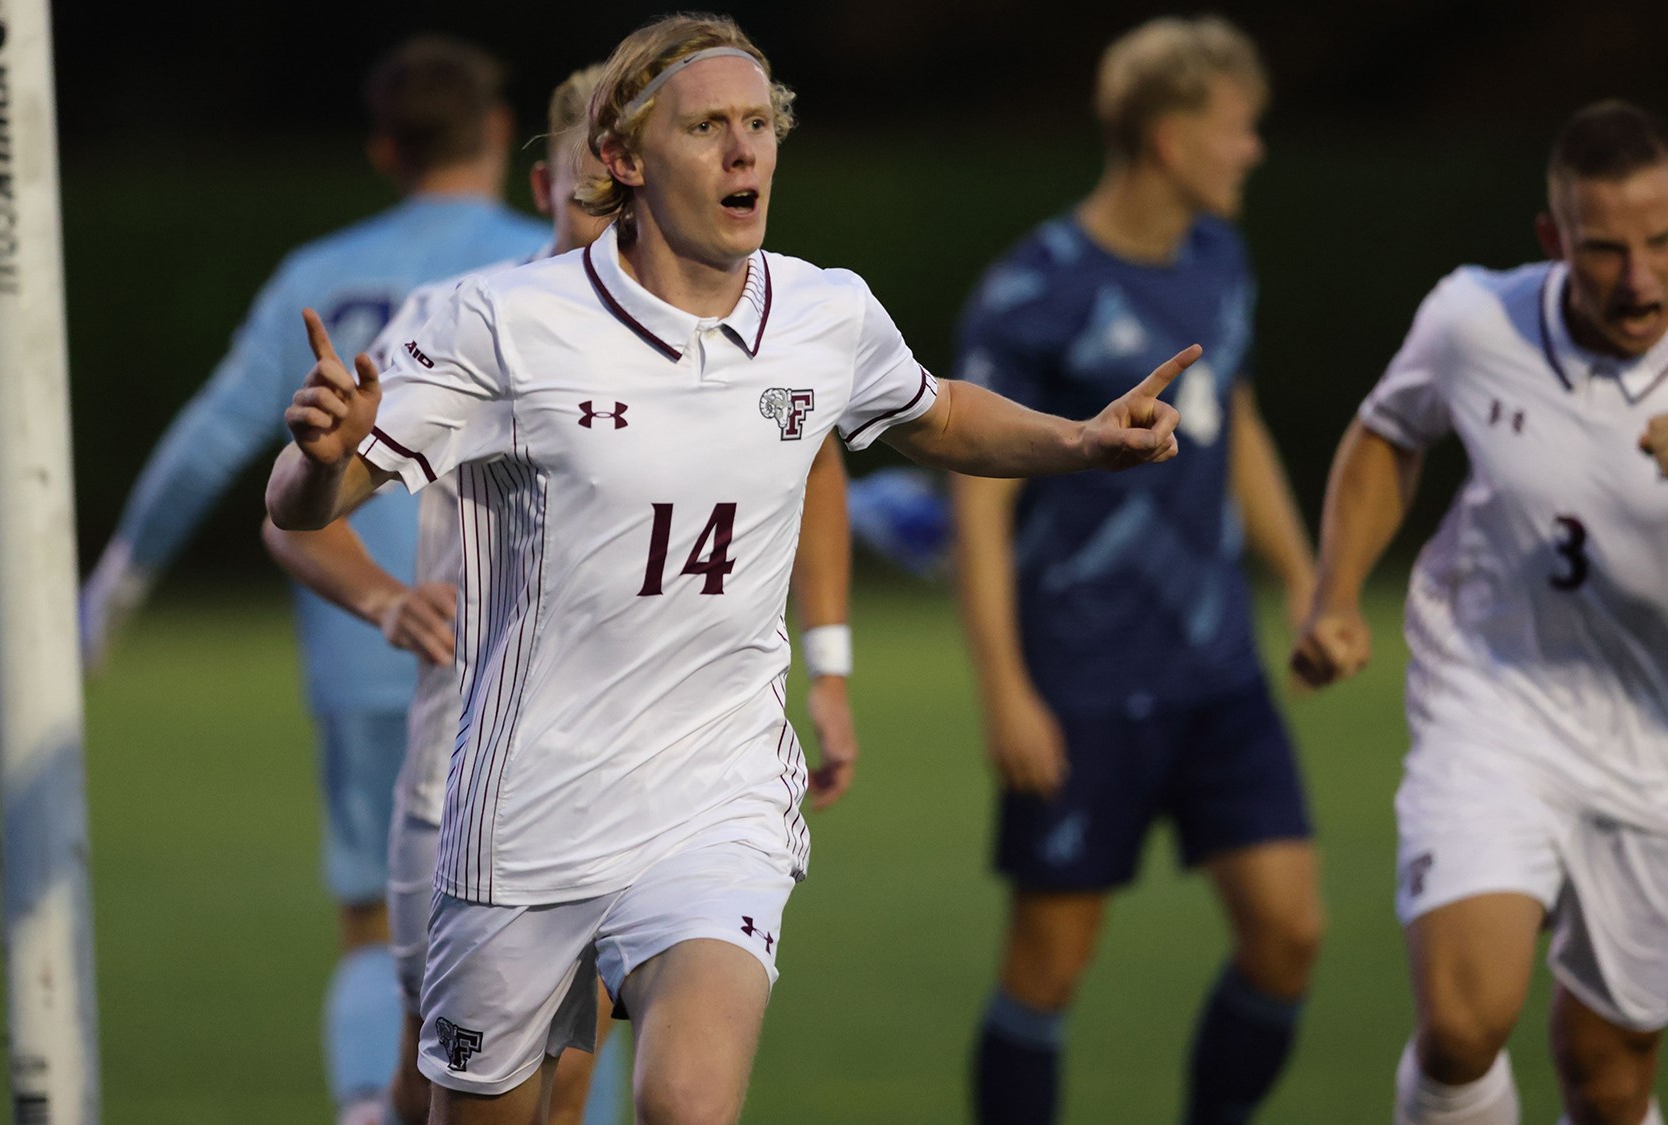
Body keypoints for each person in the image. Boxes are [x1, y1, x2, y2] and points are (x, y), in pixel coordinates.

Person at [266, 14, 1195, 1124]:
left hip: (715, 799)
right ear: (622, 159)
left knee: (686, 1105)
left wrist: (1078, 441)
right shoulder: (504, 323)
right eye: (706, 127)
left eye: (759, 124)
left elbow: (933, 415)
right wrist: (317, 463)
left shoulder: (822, 312)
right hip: (525, 818)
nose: (744, 150)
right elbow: (300, 506)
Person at [260, 64, 860, 1125]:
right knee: (435, 1088)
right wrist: (387, 601)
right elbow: (292, 507)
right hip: (470, 785)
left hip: (655, 791)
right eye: (593, 183)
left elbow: (812, 453)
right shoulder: (479, 324)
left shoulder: (725, 330)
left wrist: (827, 661)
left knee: (589, 1081)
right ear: (558, 180)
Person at [1292, 100, 1668, 1125]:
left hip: (1665, 750)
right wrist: (1334, 594)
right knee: (1458, 1024)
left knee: (1606, 1079)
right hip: (1491, 702)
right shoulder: (1471, 320)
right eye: (1604, 248)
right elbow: (1386, 433)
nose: (1637, 277)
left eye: (1660, 242)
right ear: (1551, 238)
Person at [78, 36, 547, 1124]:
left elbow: (208, 442)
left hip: (366, 631)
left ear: (384, 149)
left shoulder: (317, 278)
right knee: (567, 927)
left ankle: (363, 1107)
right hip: (515, 642)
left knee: (369, 923)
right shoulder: (550, 268)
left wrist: (115, 588)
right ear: (493, 133)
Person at [951, 17, 1323, 1124]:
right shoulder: (1034, 292)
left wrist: (1303, 581)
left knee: (1288, 934)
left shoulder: (1218, 257)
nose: (1250, 150)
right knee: (1048, 966)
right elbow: (975, 511)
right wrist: (1005, 689)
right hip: (1080, 681)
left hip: (1216, 670)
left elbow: (1236, 421)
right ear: (1168, 140)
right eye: (1234, 130)